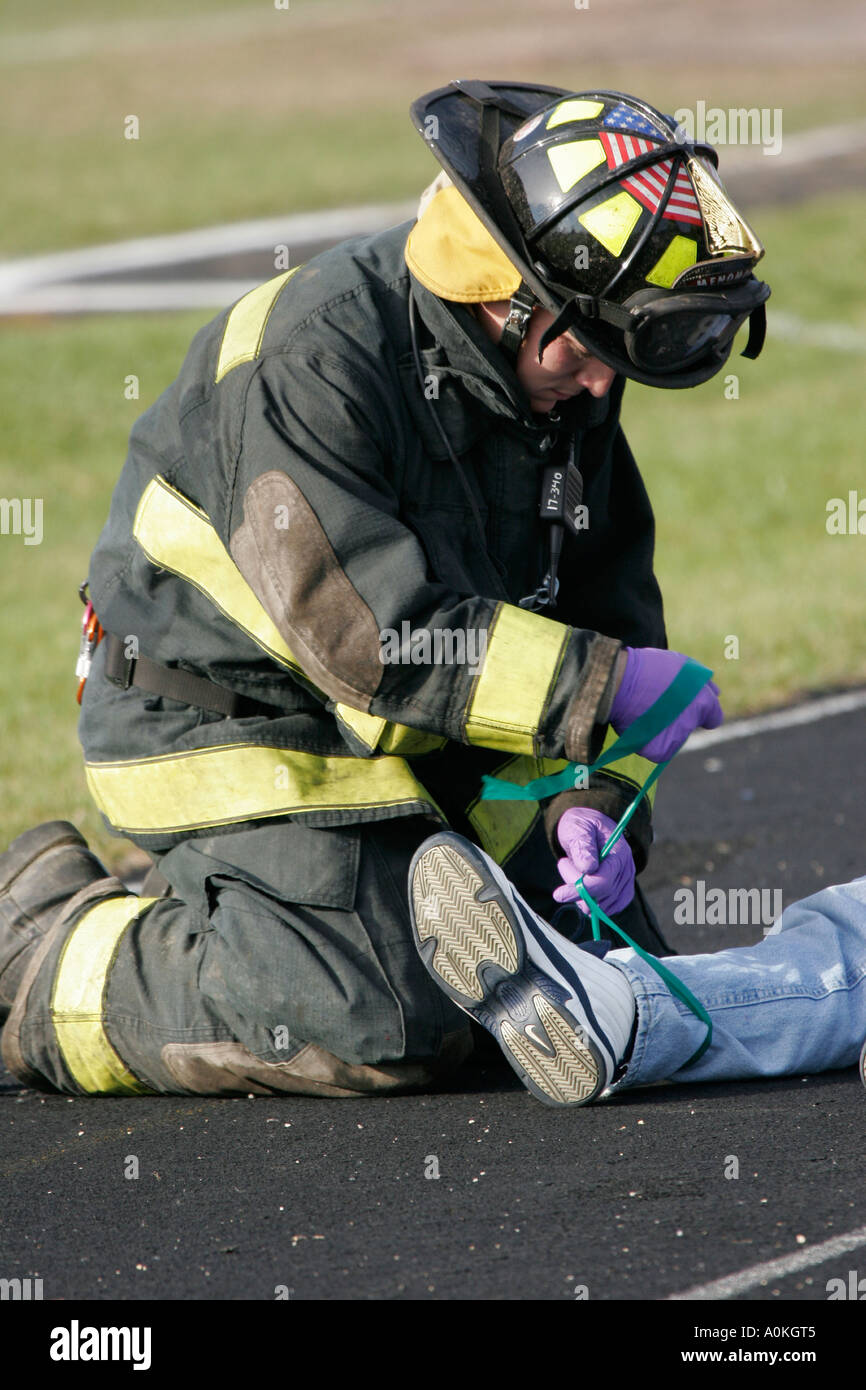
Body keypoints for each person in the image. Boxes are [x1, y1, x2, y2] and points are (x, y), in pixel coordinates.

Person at [0, 82, 779, 1102]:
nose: (602, 388)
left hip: (404, 736)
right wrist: (597, 689)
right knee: (386, 1012)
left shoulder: (553, 381)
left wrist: (588, 805)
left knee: (600, 978)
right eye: (594, 349)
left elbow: (601, 610)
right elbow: (374, 641)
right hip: (230, 729)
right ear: (509, 296)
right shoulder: (310, 359)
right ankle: (44, 947)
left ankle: (280, 904)